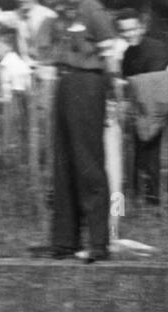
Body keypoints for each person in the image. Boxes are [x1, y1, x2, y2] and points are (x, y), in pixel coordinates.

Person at [47, 0, 117, 262]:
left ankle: (99, 243)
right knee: (64, 163)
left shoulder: (93, 10)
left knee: (88, 163)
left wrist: (111, 92)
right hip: (65, 81)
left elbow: (110, 54)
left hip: (88, 82)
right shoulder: (63, 12)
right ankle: (65, 240)